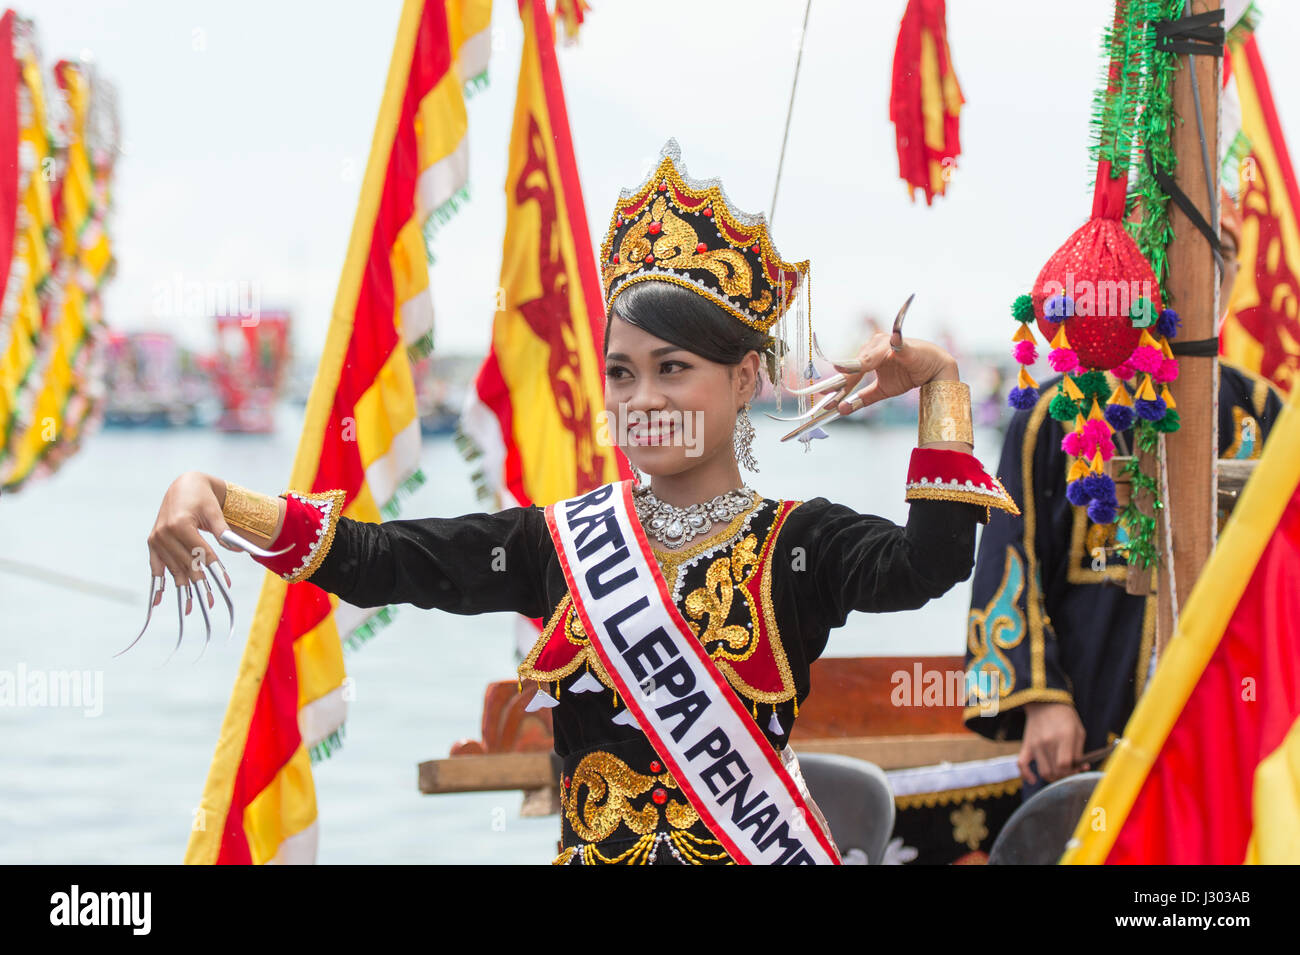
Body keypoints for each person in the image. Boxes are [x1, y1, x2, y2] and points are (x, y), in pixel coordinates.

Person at [145, 141, 1019, 865]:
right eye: (621, 373)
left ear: (744, 378)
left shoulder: (802, 543)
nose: (643, 398)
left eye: (673, 368)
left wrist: (940, 386)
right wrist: (216, 493)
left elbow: (931, 563)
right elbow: (381, 562)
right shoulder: (558, 543)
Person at [963, 189, 1286, 801]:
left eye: (1219, 253)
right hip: (1087, 711)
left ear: (1237, 272)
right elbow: (1008, 560)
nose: (1197, 272)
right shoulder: (1053, 414)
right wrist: (1042, 701)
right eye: (1172, 251)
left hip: (1230, 718)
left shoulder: (1263, 411)